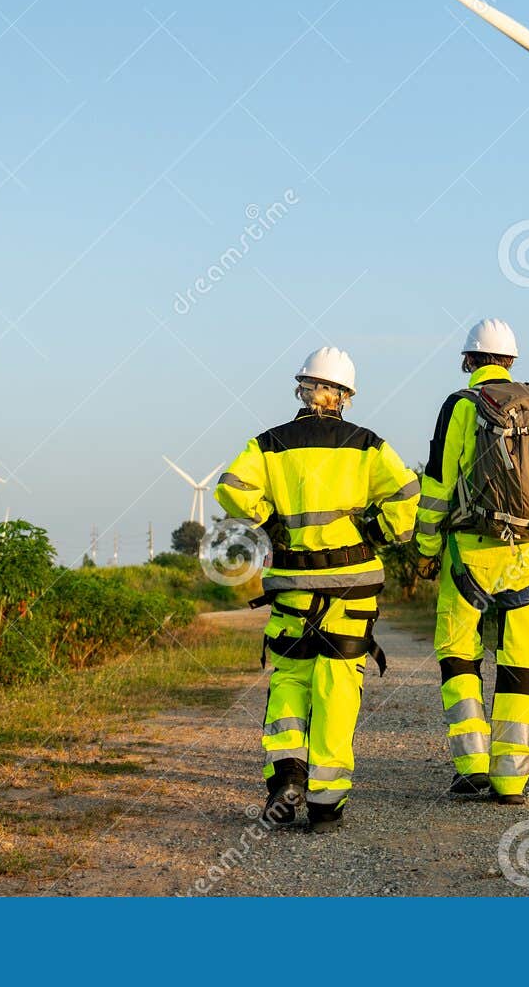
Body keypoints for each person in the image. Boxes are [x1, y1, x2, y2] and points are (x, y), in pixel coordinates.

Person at [215, 347, 420, 833]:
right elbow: (409, 494)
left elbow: (229, 488)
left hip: (291, 583)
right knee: (337, 686)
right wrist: (377, 532)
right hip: (352, 584)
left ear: (302, 388)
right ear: (344, 395)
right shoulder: (366, 444)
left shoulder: (270, 444)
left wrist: (268, 521)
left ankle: (287, 774)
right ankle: (326, 804)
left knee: (289, 678)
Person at [415, 319, 529, 805]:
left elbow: (438, 486)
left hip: (472, 552)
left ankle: (472, 764)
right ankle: (511, 777)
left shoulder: (462, 405)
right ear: (511, 361)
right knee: (520, 655)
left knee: (458, 649)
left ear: (469, 362)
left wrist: (423, 549)